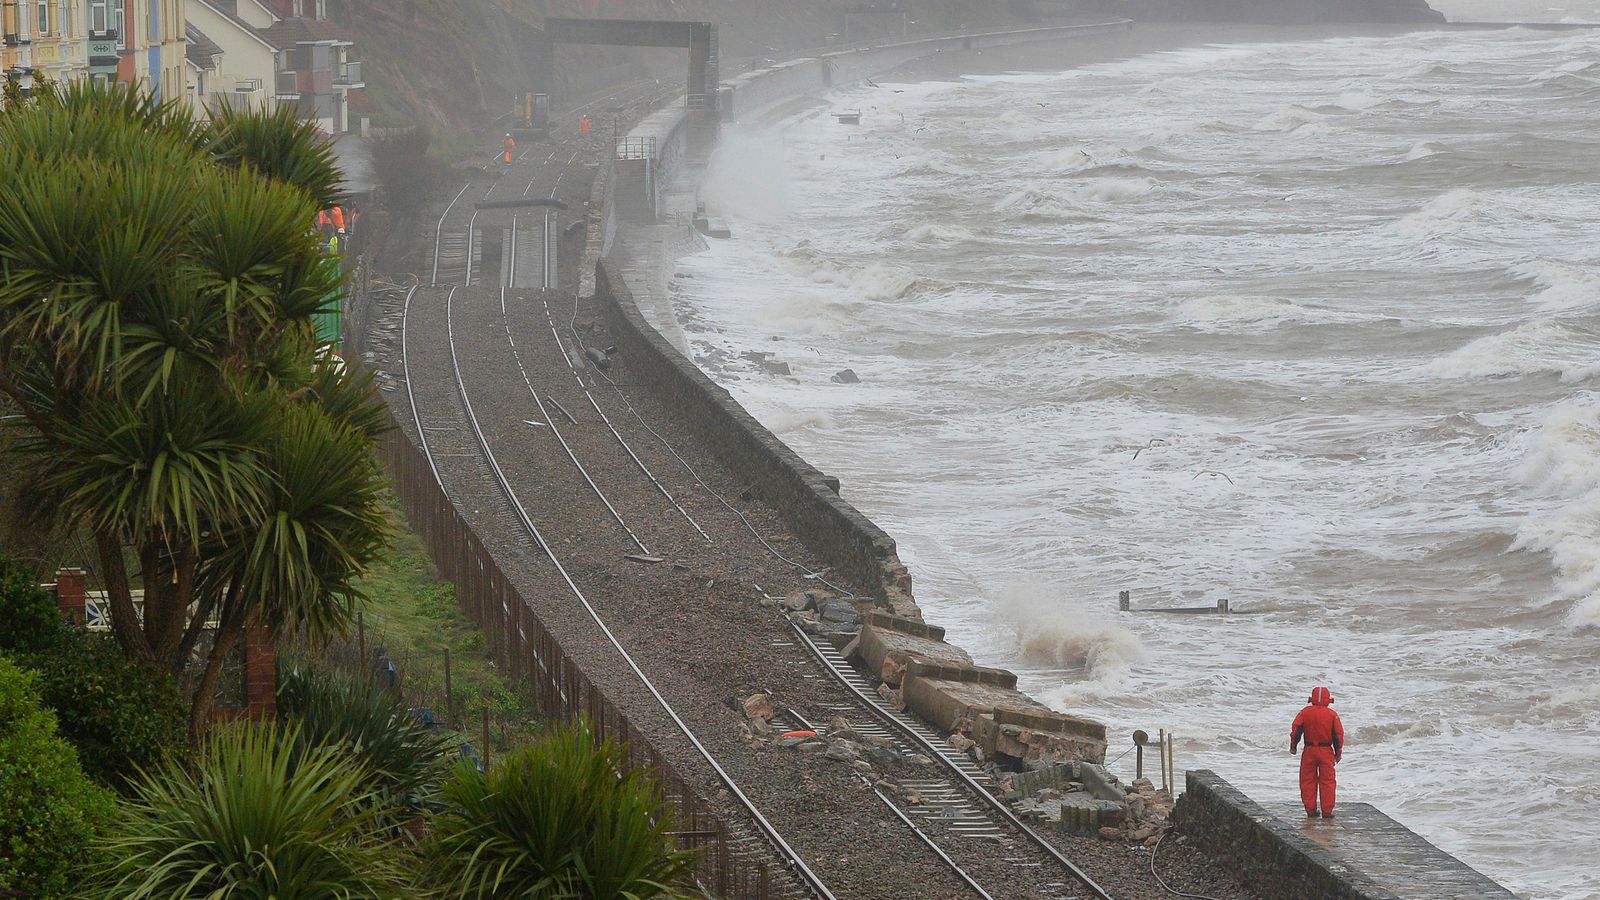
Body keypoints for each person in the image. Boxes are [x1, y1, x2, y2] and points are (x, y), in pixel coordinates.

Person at [1290, 686, 1344, 818]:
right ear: (1328, 699)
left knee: (1307, 780)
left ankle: (1311, 811)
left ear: (1312, 698)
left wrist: (1293, 747)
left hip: (1309, 751)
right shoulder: (1332, 715)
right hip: (1326, 751)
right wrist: (1338, 753)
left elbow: (1296, 730)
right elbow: (1338, 736)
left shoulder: (1305, 712)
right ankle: (1327, 812)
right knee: (1328, 782)